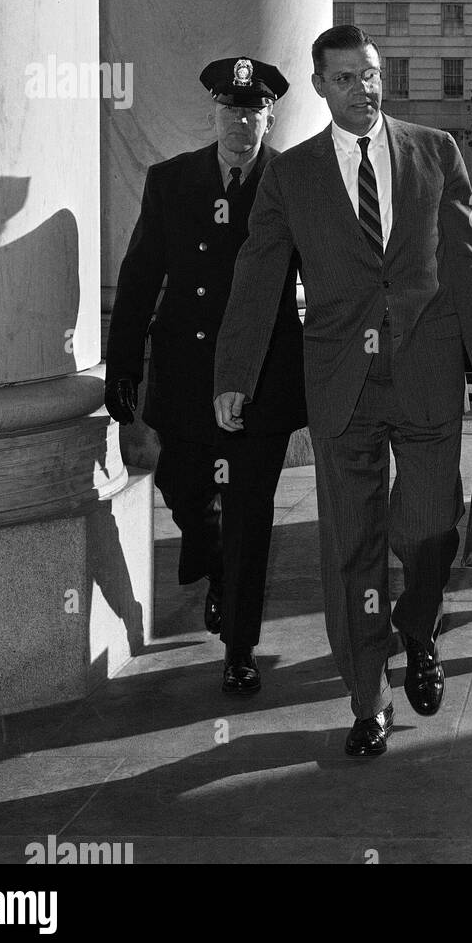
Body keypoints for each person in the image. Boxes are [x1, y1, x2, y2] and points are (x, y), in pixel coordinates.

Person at [214, 25, 472, 759]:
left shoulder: (435, 152)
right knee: (351, 546)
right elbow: (258, 276)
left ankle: (419, 627)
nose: (363, 89)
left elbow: (467, 264)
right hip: (341, 383)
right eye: (345, 78)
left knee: (429, 528)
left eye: (372, 75)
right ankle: (367, 697)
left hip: (427, 372)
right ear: (319, 87)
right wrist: (234, 374)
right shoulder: (291, 177)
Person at [104, 57, 307, 695]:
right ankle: (215, 564)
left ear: (270, 115)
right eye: (231, 108)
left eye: (254, 110)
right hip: (188, 372)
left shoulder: (293, 182)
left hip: (261, 379)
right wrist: (123, 365)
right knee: (188, 491)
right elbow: (140, 277)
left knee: (249, 510)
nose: (242, 120)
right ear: (213, 113)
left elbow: (324, 281)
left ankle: (240, 645)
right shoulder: (172, 181)